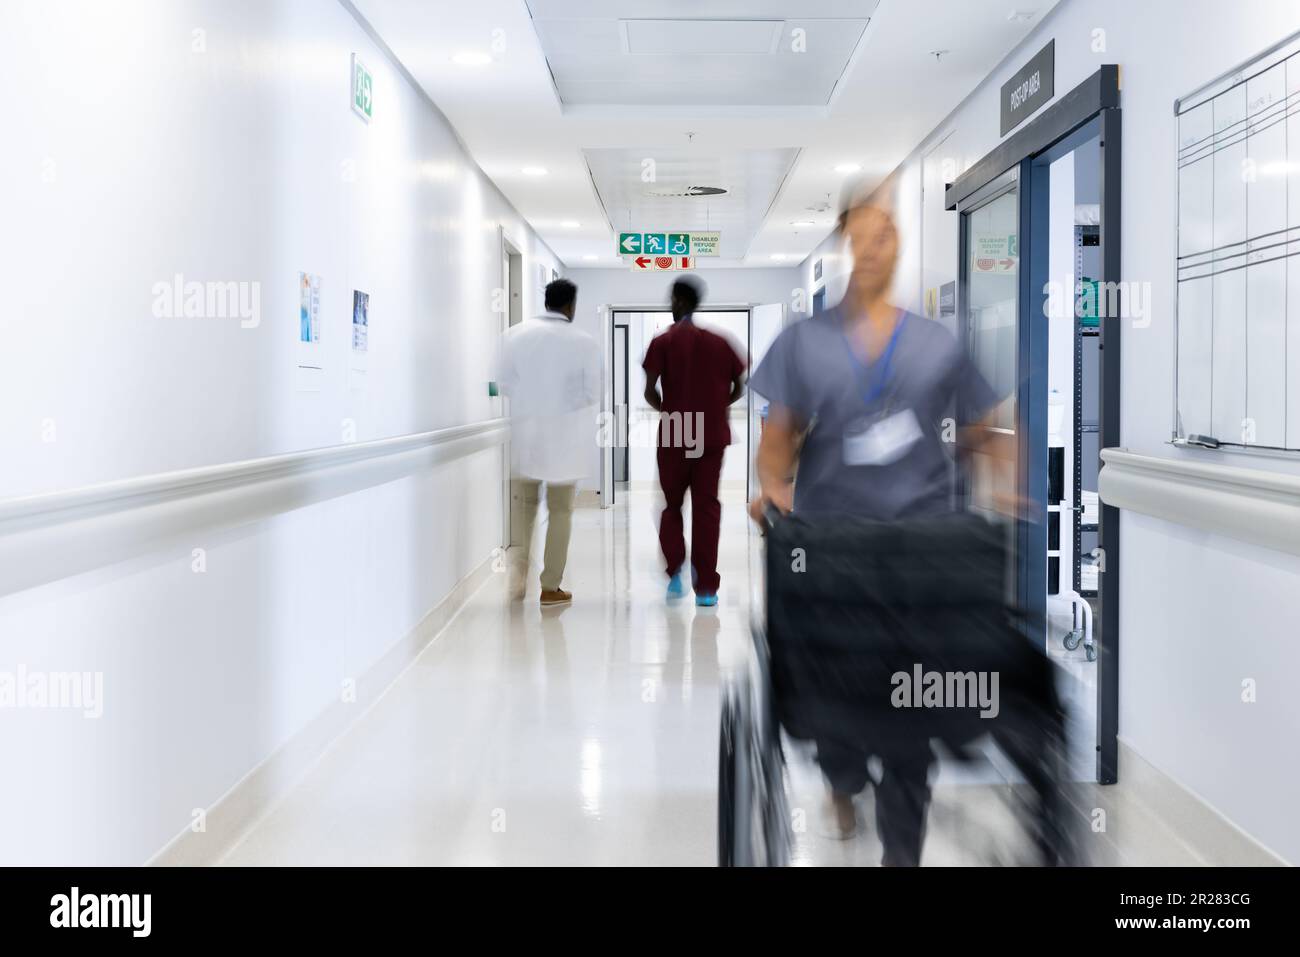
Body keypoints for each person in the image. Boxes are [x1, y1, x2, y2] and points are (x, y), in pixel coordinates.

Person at [747, 180, 1014, 863]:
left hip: (924, 554)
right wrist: (772, 491)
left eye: (885, 235)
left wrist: (1006, 483)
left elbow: (985, 431)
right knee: (836, 707)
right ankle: (840, 775)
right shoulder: (805, 343)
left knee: (908, 720)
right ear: (844, 246)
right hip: (836, 549)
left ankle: (902, 849)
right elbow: (777, 445)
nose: (871, 249)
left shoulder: (938, 345)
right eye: (860, 238)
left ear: (899, 244)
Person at [642, 277, 747, 606]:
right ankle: (706, 589)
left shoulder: (662, 342)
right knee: (706, 508)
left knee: (672, 506)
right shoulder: (720, 342)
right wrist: (713, 409)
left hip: (675, 433)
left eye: (671, 300)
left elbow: (649, 391)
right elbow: (738, 388)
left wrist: (672, 411)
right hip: (710, 436)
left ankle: (675, 573)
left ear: (678, 300)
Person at [496, 279, 599, 606]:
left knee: (522, 510)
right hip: (565, 443)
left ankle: (519, 574)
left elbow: (503, 383)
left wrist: (532, 403)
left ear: (547, 301)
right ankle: (550, 586)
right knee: (560, 511)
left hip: (525, 437)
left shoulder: (514, 336)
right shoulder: (584, 343)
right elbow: (594, 392)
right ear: (571, 305)